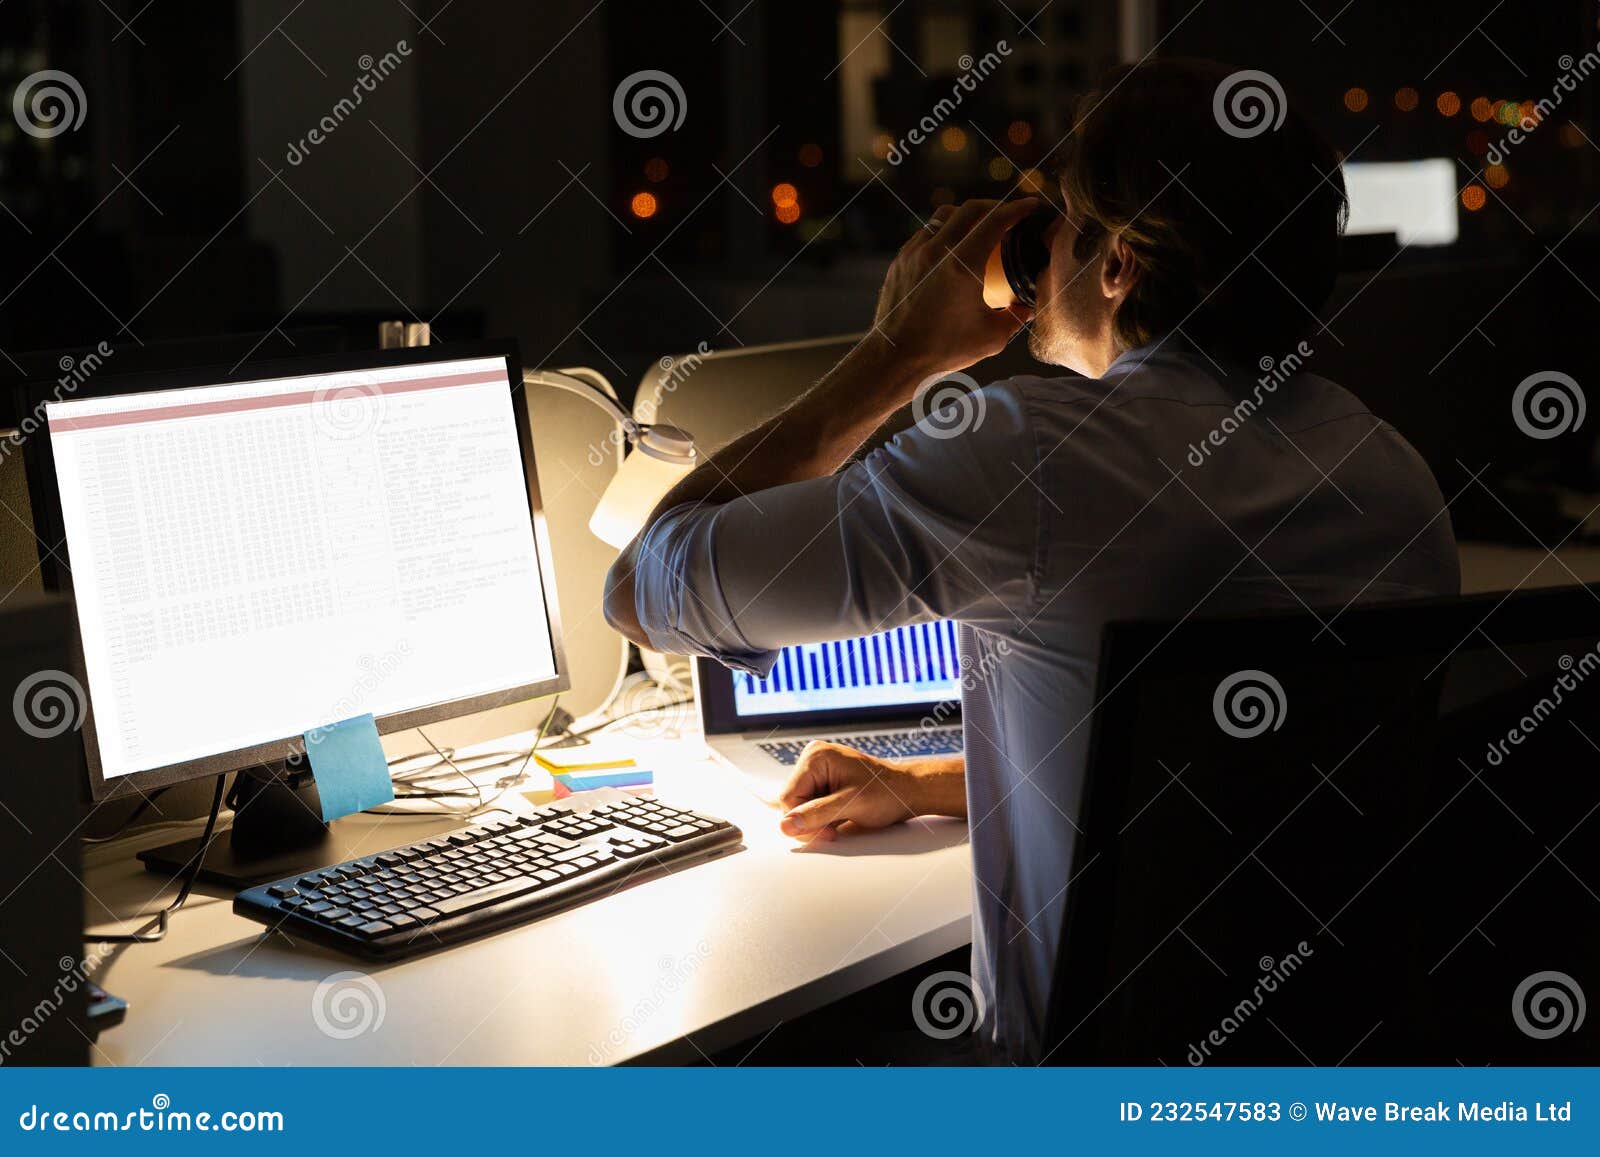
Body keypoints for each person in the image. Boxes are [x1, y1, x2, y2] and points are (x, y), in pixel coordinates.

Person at [603, 58, 1460, 1063]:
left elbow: (646, 589)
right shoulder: (1392, 478)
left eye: (1058, 217)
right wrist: (926, 783)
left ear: (1117, 262)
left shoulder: (1031, 457)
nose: (1038, 247)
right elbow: (1216, 775)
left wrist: (901, 352)